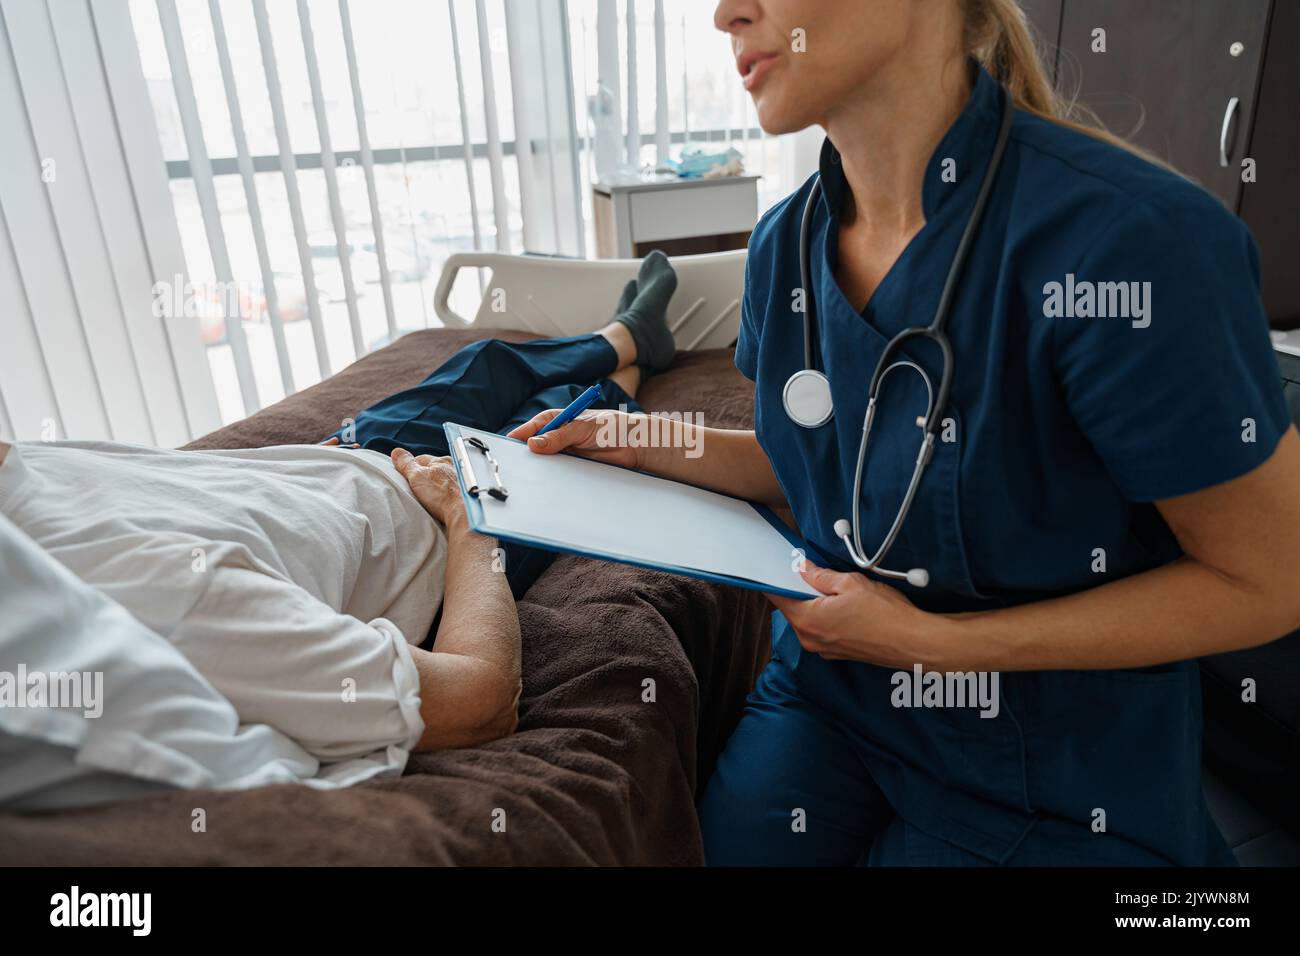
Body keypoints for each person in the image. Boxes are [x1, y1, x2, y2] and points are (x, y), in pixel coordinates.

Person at [510, 0, 1300, 865]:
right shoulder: (786, 243)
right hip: (837, 695)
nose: (725, 13)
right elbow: (819, 462)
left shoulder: (1128, 244)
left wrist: (934, 643)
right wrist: (641, 440)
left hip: (1053, 762)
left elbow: (1266, 579)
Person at [0, 254, 678, 808]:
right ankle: (634, 359)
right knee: (559, 426)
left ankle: (621, 338)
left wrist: (294, 470)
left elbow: (179, 497)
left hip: (345, 461)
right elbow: (479, 700)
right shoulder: (165, 600)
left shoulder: (23, 477)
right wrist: (469, 518)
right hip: (439, 528)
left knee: (487, 364)